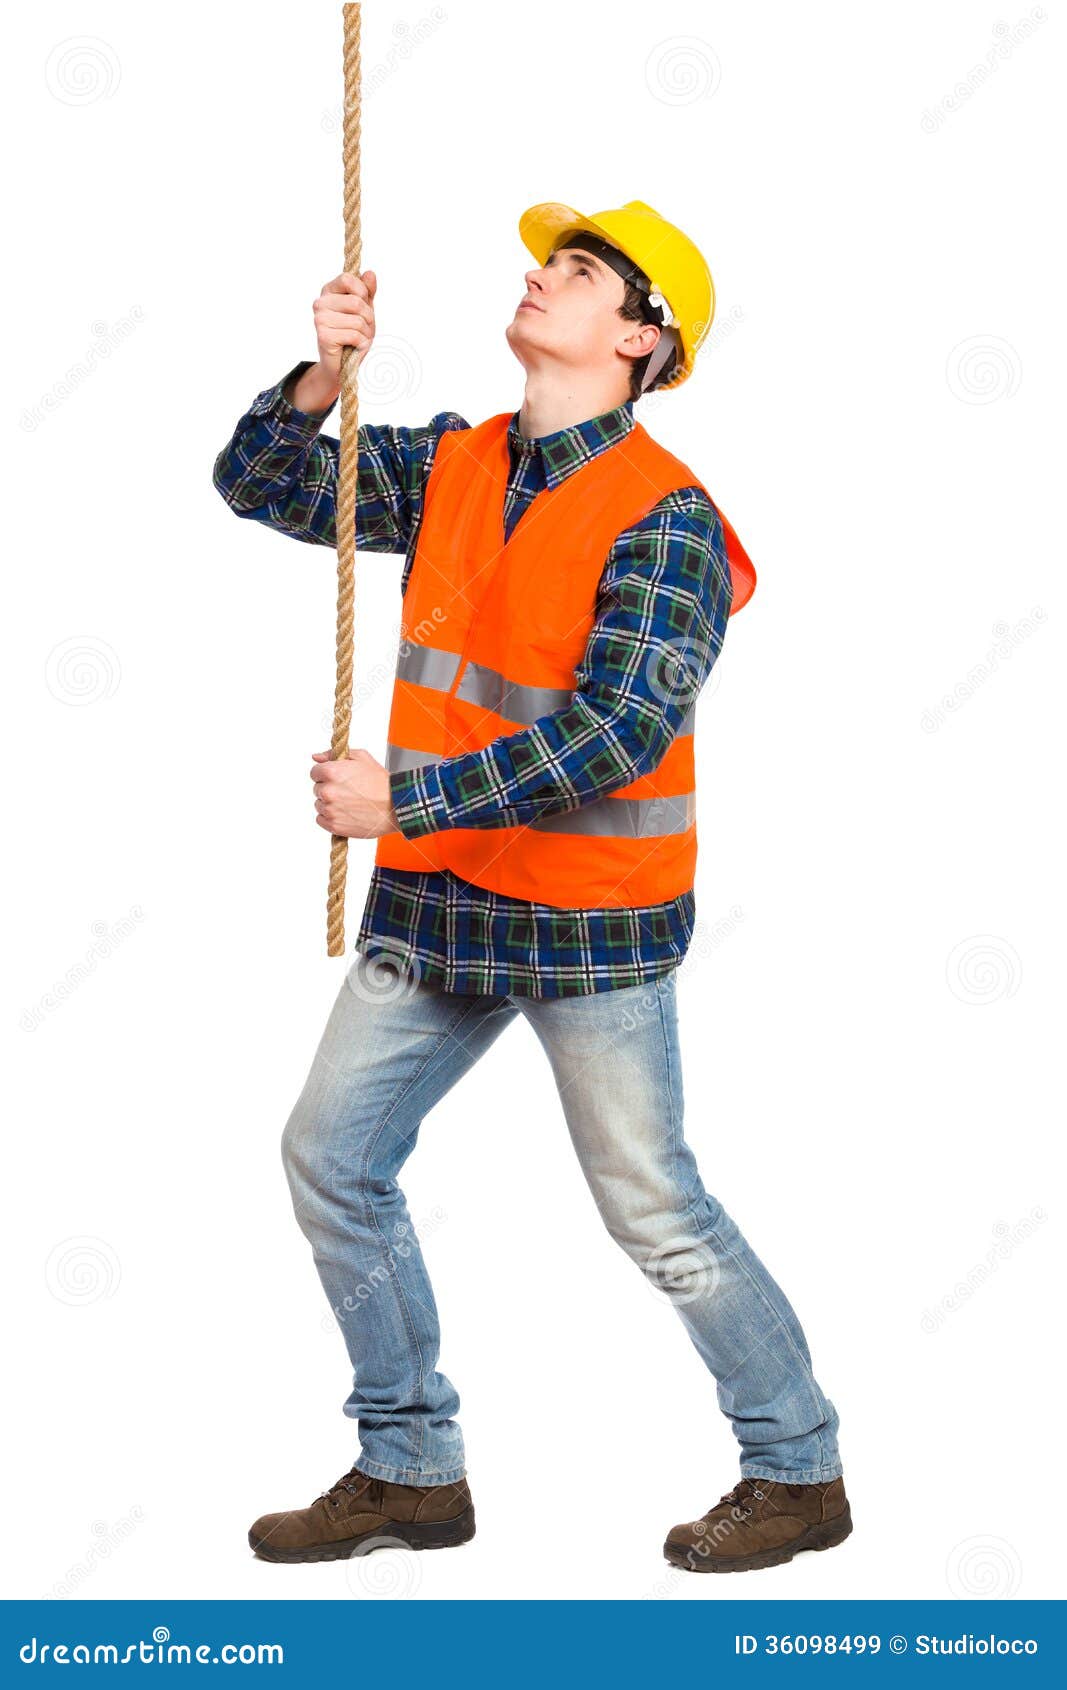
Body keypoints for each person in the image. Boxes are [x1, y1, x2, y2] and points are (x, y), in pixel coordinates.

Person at [212, 199, 851, 1573]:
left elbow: (618, 732)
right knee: (332, 1156)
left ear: (637, 340)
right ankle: (409, 1466)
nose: (535, 278)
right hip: (442, 907)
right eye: (543, 261)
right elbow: (261, 483)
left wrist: (408, 798)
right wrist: (320, 378)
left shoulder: (667, 522)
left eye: (573, 271)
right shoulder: (456, 464)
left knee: (654, 1209)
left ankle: (799, 1469)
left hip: (589, 924)